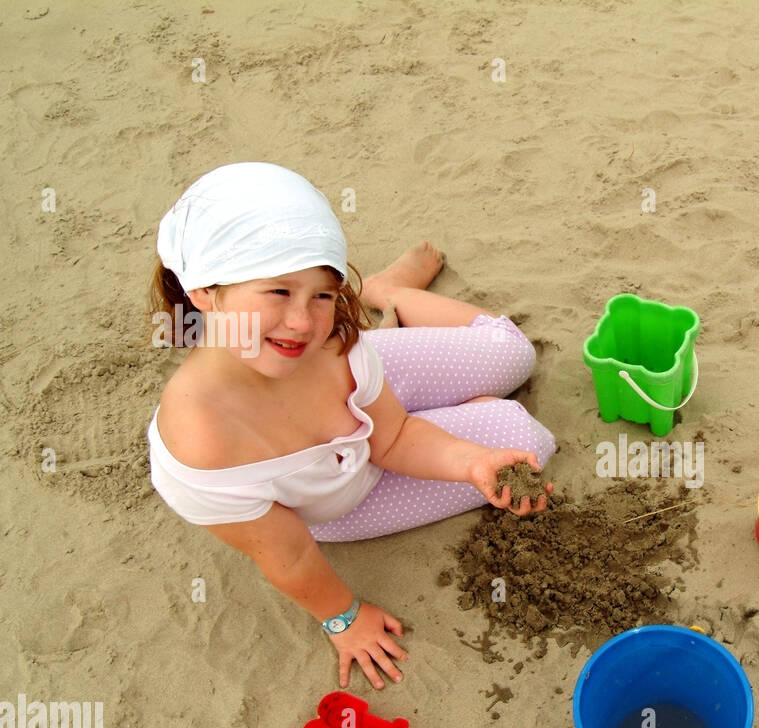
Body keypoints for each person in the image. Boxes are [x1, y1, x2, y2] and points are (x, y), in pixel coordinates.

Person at [147, 163, 555, 690]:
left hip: (377, 406)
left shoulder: (332, 340)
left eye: (322, 293)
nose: (301, 322)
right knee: (524, 439)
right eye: (277, 292)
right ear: (204, 290)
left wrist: (469, 460)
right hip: (345, 497)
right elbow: (289, 554)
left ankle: (391, 295)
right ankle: (468, 410)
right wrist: (343, 617)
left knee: (513, 353)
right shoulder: (202, 444)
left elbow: (395, 436)